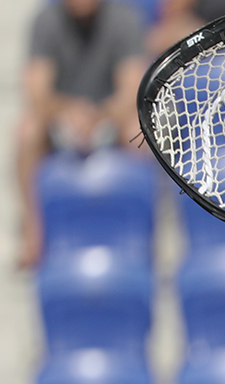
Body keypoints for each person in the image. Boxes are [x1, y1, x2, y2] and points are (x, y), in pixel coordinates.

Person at [17, 0, 145, 268]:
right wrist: (69, 110)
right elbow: (37, 92)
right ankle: (33, 232)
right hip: (60, 120)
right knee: (27, 130)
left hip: (110, 119)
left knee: (139, 133)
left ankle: (144, 236)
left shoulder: (125, 20)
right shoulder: (46, 22)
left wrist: (98, 116)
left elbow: (132, 90)